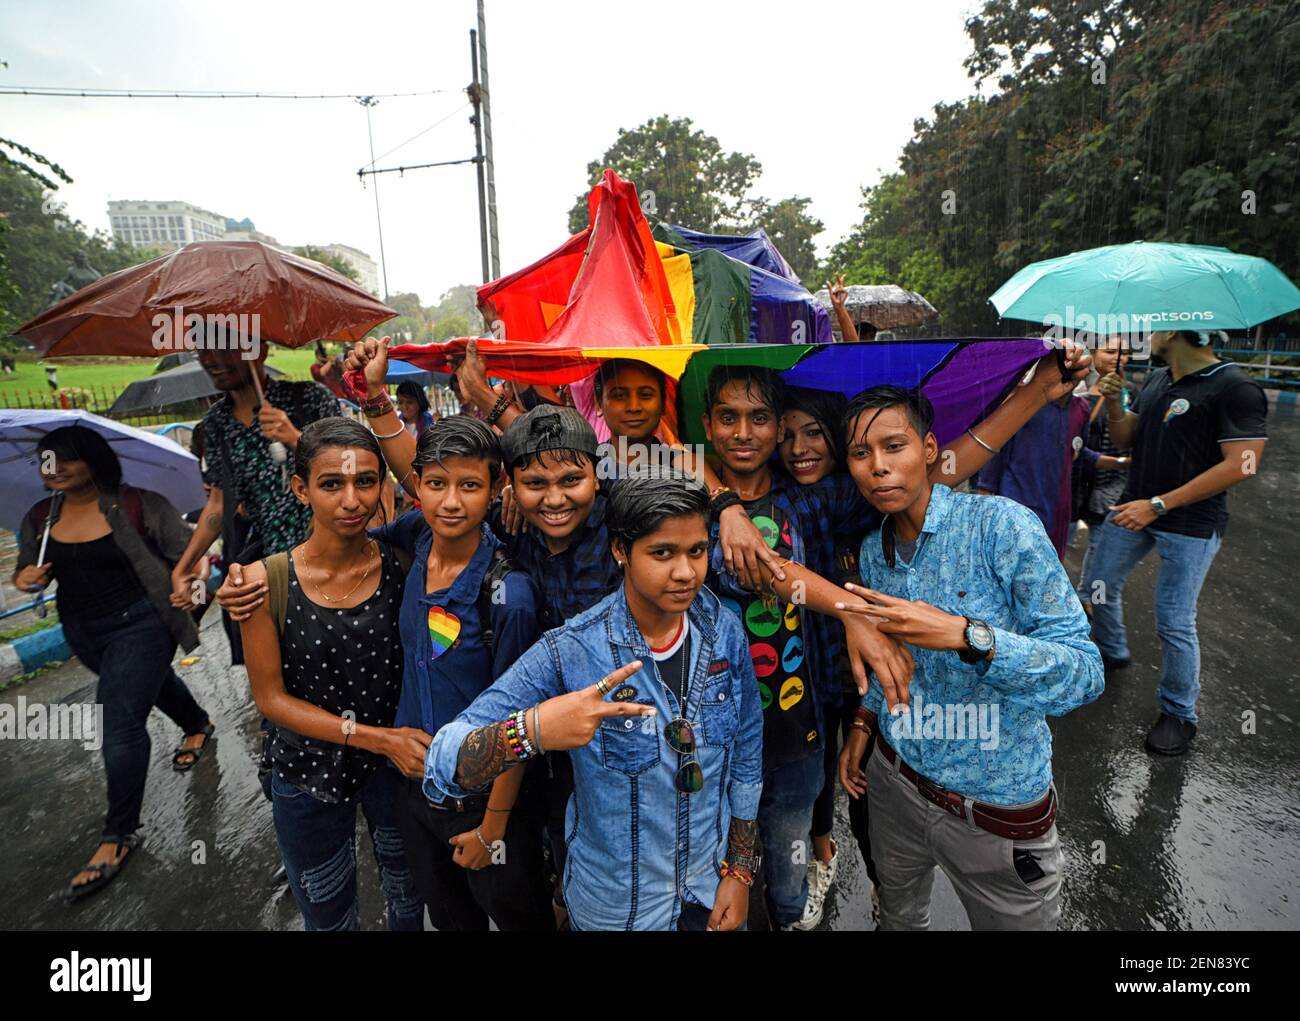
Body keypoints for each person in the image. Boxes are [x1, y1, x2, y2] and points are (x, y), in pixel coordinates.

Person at [425, 469, 764, 930]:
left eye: (697, 551)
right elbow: (446, 760)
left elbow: (746, 747)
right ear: (620, 551)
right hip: (616, 909)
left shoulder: (723, 629)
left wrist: (740, 871)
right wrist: (535, 729)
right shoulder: (572, 651)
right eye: (662, 553)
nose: (685, 572)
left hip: (710, 890)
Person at [834, 385, 1104, 931]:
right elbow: (892, 657)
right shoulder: (872, 550)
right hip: (894, 783)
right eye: (862, 454)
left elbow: (1084, 673)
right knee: (899, 918)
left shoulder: (1001, 528)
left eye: (894, 446)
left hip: (996, 813)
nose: (879, 468)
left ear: (930, 449)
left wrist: (970, 635)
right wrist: (865, 722)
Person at [234, 418, 425, 931]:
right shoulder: (263, 582)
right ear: (301, 489)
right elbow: (271, 699)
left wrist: (378, 401)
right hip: (306, 774)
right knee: (327, 912)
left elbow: (441, 493)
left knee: (408, 898)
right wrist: (375, 738)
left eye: (366, 481)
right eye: (331, 484)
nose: (351, 500)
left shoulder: (405, 563)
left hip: (395, 773)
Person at [369, 416, 555, 931]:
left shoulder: (509, 596)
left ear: (496, 489)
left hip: (484, 804)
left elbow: (520, 724)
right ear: (418, 487)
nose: (451, 502)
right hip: (415, 792)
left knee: (520, 916)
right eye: (436, 484)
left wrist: (492, 828)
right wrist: (262, 574)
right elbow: (343, 547)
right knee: (450, 918)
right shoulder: (416, 537)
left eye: (469, 485)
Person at [13, 426, 212, 902]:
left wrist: (191, 578)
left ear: (94, 461)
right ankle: (197, 723)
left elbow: (192, 553)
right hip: (84, 631)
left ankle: (117, 834)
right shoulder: (41, 517)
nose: (53, 469)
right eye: (45, 461)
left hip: (143, 621)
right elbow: (24, 568)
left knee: (119, 721)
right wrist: (26, 577)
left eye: (64, 460)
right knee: (144, 684)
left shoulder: (141, 503)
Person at [1086, 329, 1267, 755]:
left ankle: (1179, 713)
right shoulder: (1158, 379)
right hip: (1135, 507)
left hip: (1190, 524)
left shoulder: (1234, 386)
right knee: (1097, 586)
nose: (1147, 336)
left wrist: (1160, 504)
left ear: (1174, 331)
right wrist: (1113, 402)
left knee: (1173, 620)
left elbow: (1244, 463)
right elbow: (1130, 438)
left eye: (1155, 328)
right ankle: (1112, 652)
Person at [170, 343, 341, 664]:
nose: (211, 359)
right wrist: (185, 565)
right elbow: (218, 504)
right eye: (203, 350)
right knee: (289, 671)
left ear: (257, 350)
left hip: (334, 561)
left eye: (223, 347)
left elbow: (350, 467)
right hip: (274, 573)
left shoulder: (309, 399)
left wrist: (296, 439)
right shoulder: (216, 422)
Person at [973, 391, 1093, 560]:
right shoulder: (1023, 401)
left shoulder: (1082, 409)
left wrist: (1119, 462)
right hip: (1017, 505)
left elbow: (1078, 454)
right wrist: (984, 494)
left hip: (1057, 514)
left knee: (1044, 573)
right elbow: (997, 446)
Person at [1073, 337, 1133, 609]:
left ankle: (1088, 599)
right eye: (1110, 351)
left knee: (1099, 549)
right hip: (1075, 482)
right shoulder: (1077, 393)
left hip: (1110, 485)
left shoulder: (1131, 395)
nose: (1118, 358)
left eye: (1125, 354)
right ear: (1094, 353)